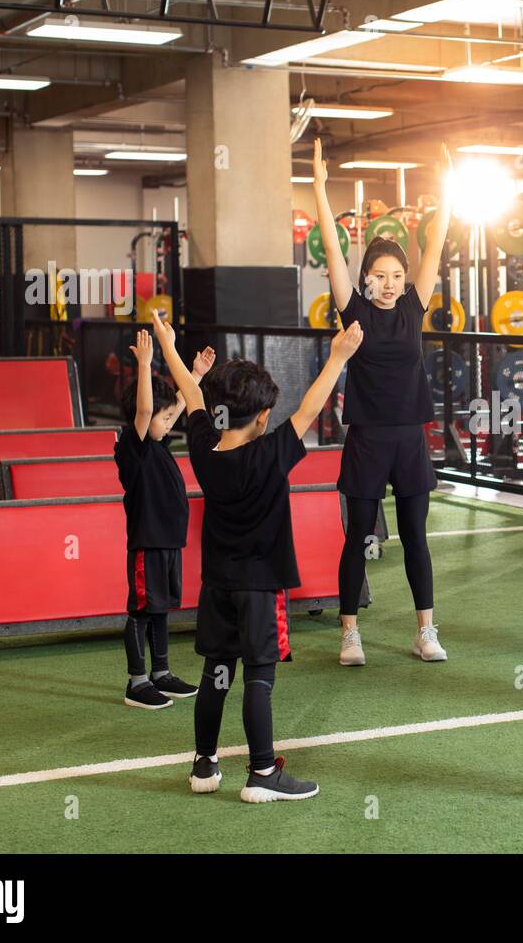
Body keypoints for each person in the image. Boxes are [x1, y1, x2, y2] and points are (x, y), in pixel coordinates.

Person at [152, 311, 364, 803]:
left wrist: (168, 344)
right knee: (259, 679)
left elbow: (191, 391)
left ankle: (205, 765)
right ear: (264, 417)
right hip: (260, 587)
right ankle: (263, 773)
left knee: (216, 675)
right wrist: (338, 356)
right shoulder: (271, 454)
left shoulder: (204, 448)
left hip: (217, 587)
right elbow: (311, 408)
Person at [313, 138, 456, 666]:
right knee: (358, 540)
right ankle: (350, 634)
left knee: (416, 538)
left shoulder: (414, 306)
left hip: (409, 440)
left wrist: (445, 189)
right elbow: (332, 248)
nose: (392, 284)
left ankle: (426, 631)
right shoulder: (353, 310)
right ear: (366, 279)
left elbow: (436, 242)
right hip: (368, 439)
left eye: (398, 276)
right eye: (382, 276)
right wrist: (322, 192)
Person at [115, 330, 214, 709]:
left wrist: (196, 374)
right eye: (164, 415)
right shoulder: (133, 446)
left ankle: (161, 673)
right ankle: (136, 682)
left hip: (169, 543)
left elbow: (170, 406)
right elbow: (145, 411)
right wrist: (144, 364)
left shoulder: (158, 442)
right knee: (141, 611)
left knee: (160, 609)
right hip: (148, 543)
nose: (170, 419)